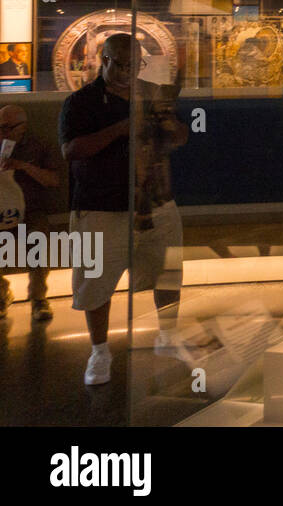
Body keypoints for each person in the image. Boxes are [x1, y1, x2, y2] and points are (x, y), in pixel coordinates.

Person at [59, 33, 189, 386]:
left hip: (156, 202)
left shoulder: (152, 93)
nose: (126, 72)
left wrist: (168, 124)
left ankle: (168, 335)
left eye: (134, 65)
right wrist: (120, 128)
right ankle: (99, 350)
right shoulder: (82, 101)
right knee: (95, 282)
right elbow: (71, 151)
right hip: (101, 206)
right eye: (119, 64)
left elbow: (180, 137)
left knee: (167, 272)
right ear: (104, 60)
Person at [0, 105, 60, 321]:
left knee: (38, 239)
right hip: (2, 209)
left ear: (22, 127)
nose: (2, 132)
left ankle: (38, 299)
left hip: (31, 209)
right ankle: (1, 293)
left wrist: (24, 167)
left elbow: (54, 180)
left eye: (7, 128)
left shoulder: (39, 146)